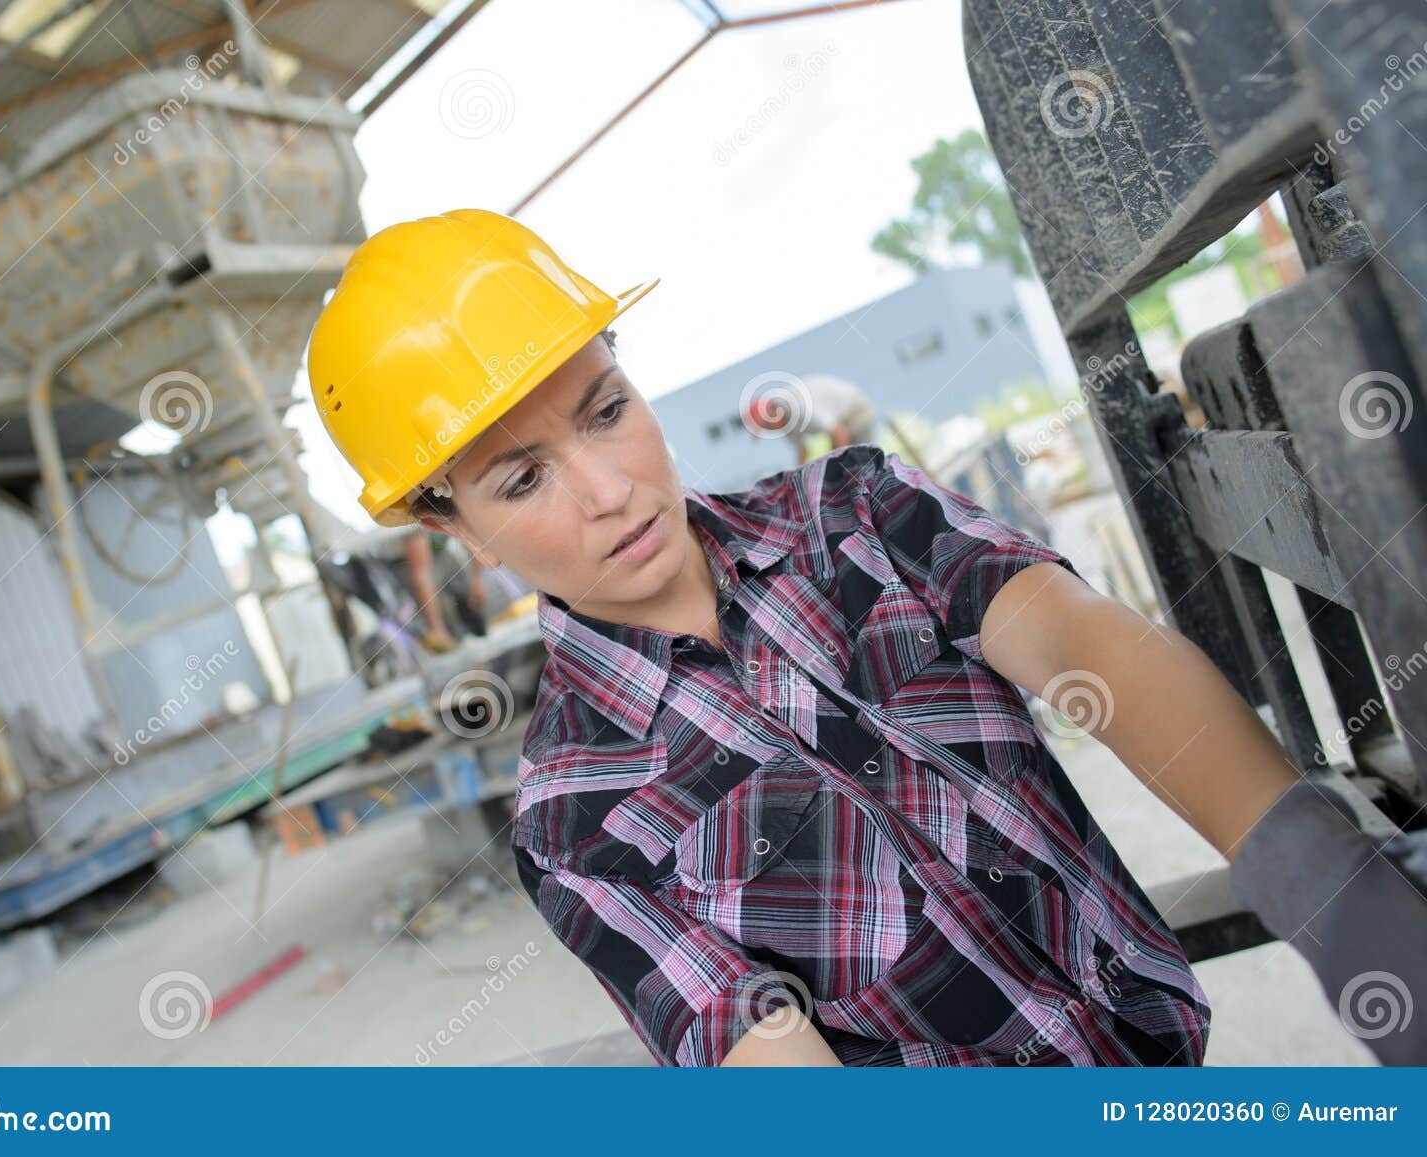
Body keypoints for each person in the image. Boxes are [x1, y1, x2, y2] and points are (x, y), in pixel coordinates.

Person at [306, 208, 1427, 1067]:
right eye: (522, 476)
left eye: (606, 408)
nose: (610, 488)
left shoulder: (855, 514)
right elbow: (768, 1061)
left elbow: (1080, 641)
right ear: (454, 527)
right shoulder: (576, 820)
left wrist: (1321, 873)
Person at [746, 371, 878, 466]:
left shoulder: (800, 407)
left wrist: (839, 470)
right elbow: (802, 452)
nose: (768, 430)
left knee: (862, 464)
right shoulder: (785, 422)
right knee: (840, 468)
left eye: (766, 426)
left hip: (855, 409)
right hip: (839, 422)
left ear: (772, 412)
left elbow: (839, 432)